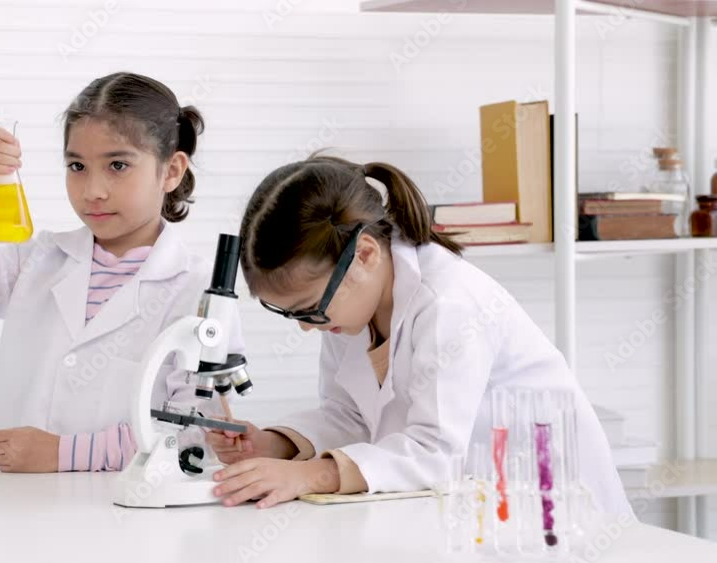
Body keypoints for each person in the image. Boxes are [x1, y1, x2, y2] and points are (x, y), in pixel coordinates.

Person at [207, 155, 629, 514]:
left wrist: (309, 474)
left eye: (310, 309)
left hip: (549, 504)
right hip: (470, 509)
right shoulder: (350, 306)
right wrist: (274, 445)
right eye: (291, 313)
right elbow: (349, 416)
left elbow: (436, 452)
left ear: (365, 254)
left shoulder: (448, 303)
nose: (304, 326)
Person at [0, 72, 241, 473]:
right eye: (77, 166)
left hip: (126, 520)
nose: (92, 190)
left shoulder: (200, 292)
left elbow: (193, 435)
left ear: (171, 171)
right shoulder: (38, 262)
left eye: (118, 165)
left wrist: (61, 454)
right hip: (16, 515)